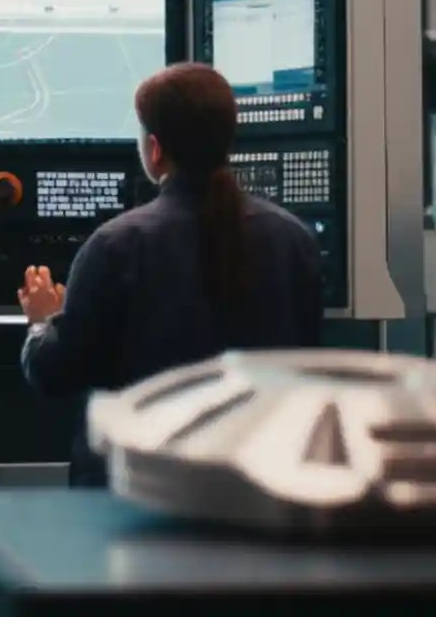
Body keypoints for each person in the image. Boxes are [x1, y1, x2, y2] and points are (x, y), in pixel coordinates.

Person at [16, 62, 324, 488]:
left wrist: (42, 321)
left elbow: (55, 374)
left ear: (155, 149)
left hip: (134, 491)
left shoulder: (115, 245)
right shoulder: (295, 240)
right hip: (255, 486)